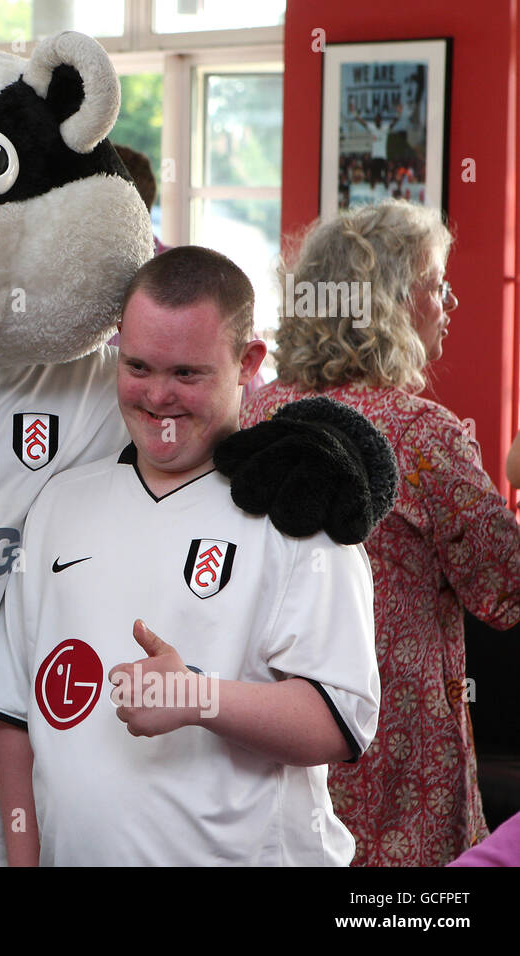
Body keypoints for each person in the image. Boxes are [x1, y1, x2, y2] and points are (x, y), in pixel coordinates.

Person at [0, 246, 380, 865]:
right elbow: (15, 716)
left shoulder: (295, 512)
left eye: (187, 374)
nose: (157, 396)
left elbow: (339, 722)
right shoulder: (60, 502)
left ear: (248, 362)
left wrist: (199, 697)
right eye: (138, 366)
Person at [241, 199, 520, 866]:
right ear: (389, 301)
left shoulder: (249, 415)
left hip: (274, 736)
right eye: (435, 284)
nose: (449, 301)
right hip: (396, 757)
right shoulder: (425, 436)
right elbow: (506, 589)